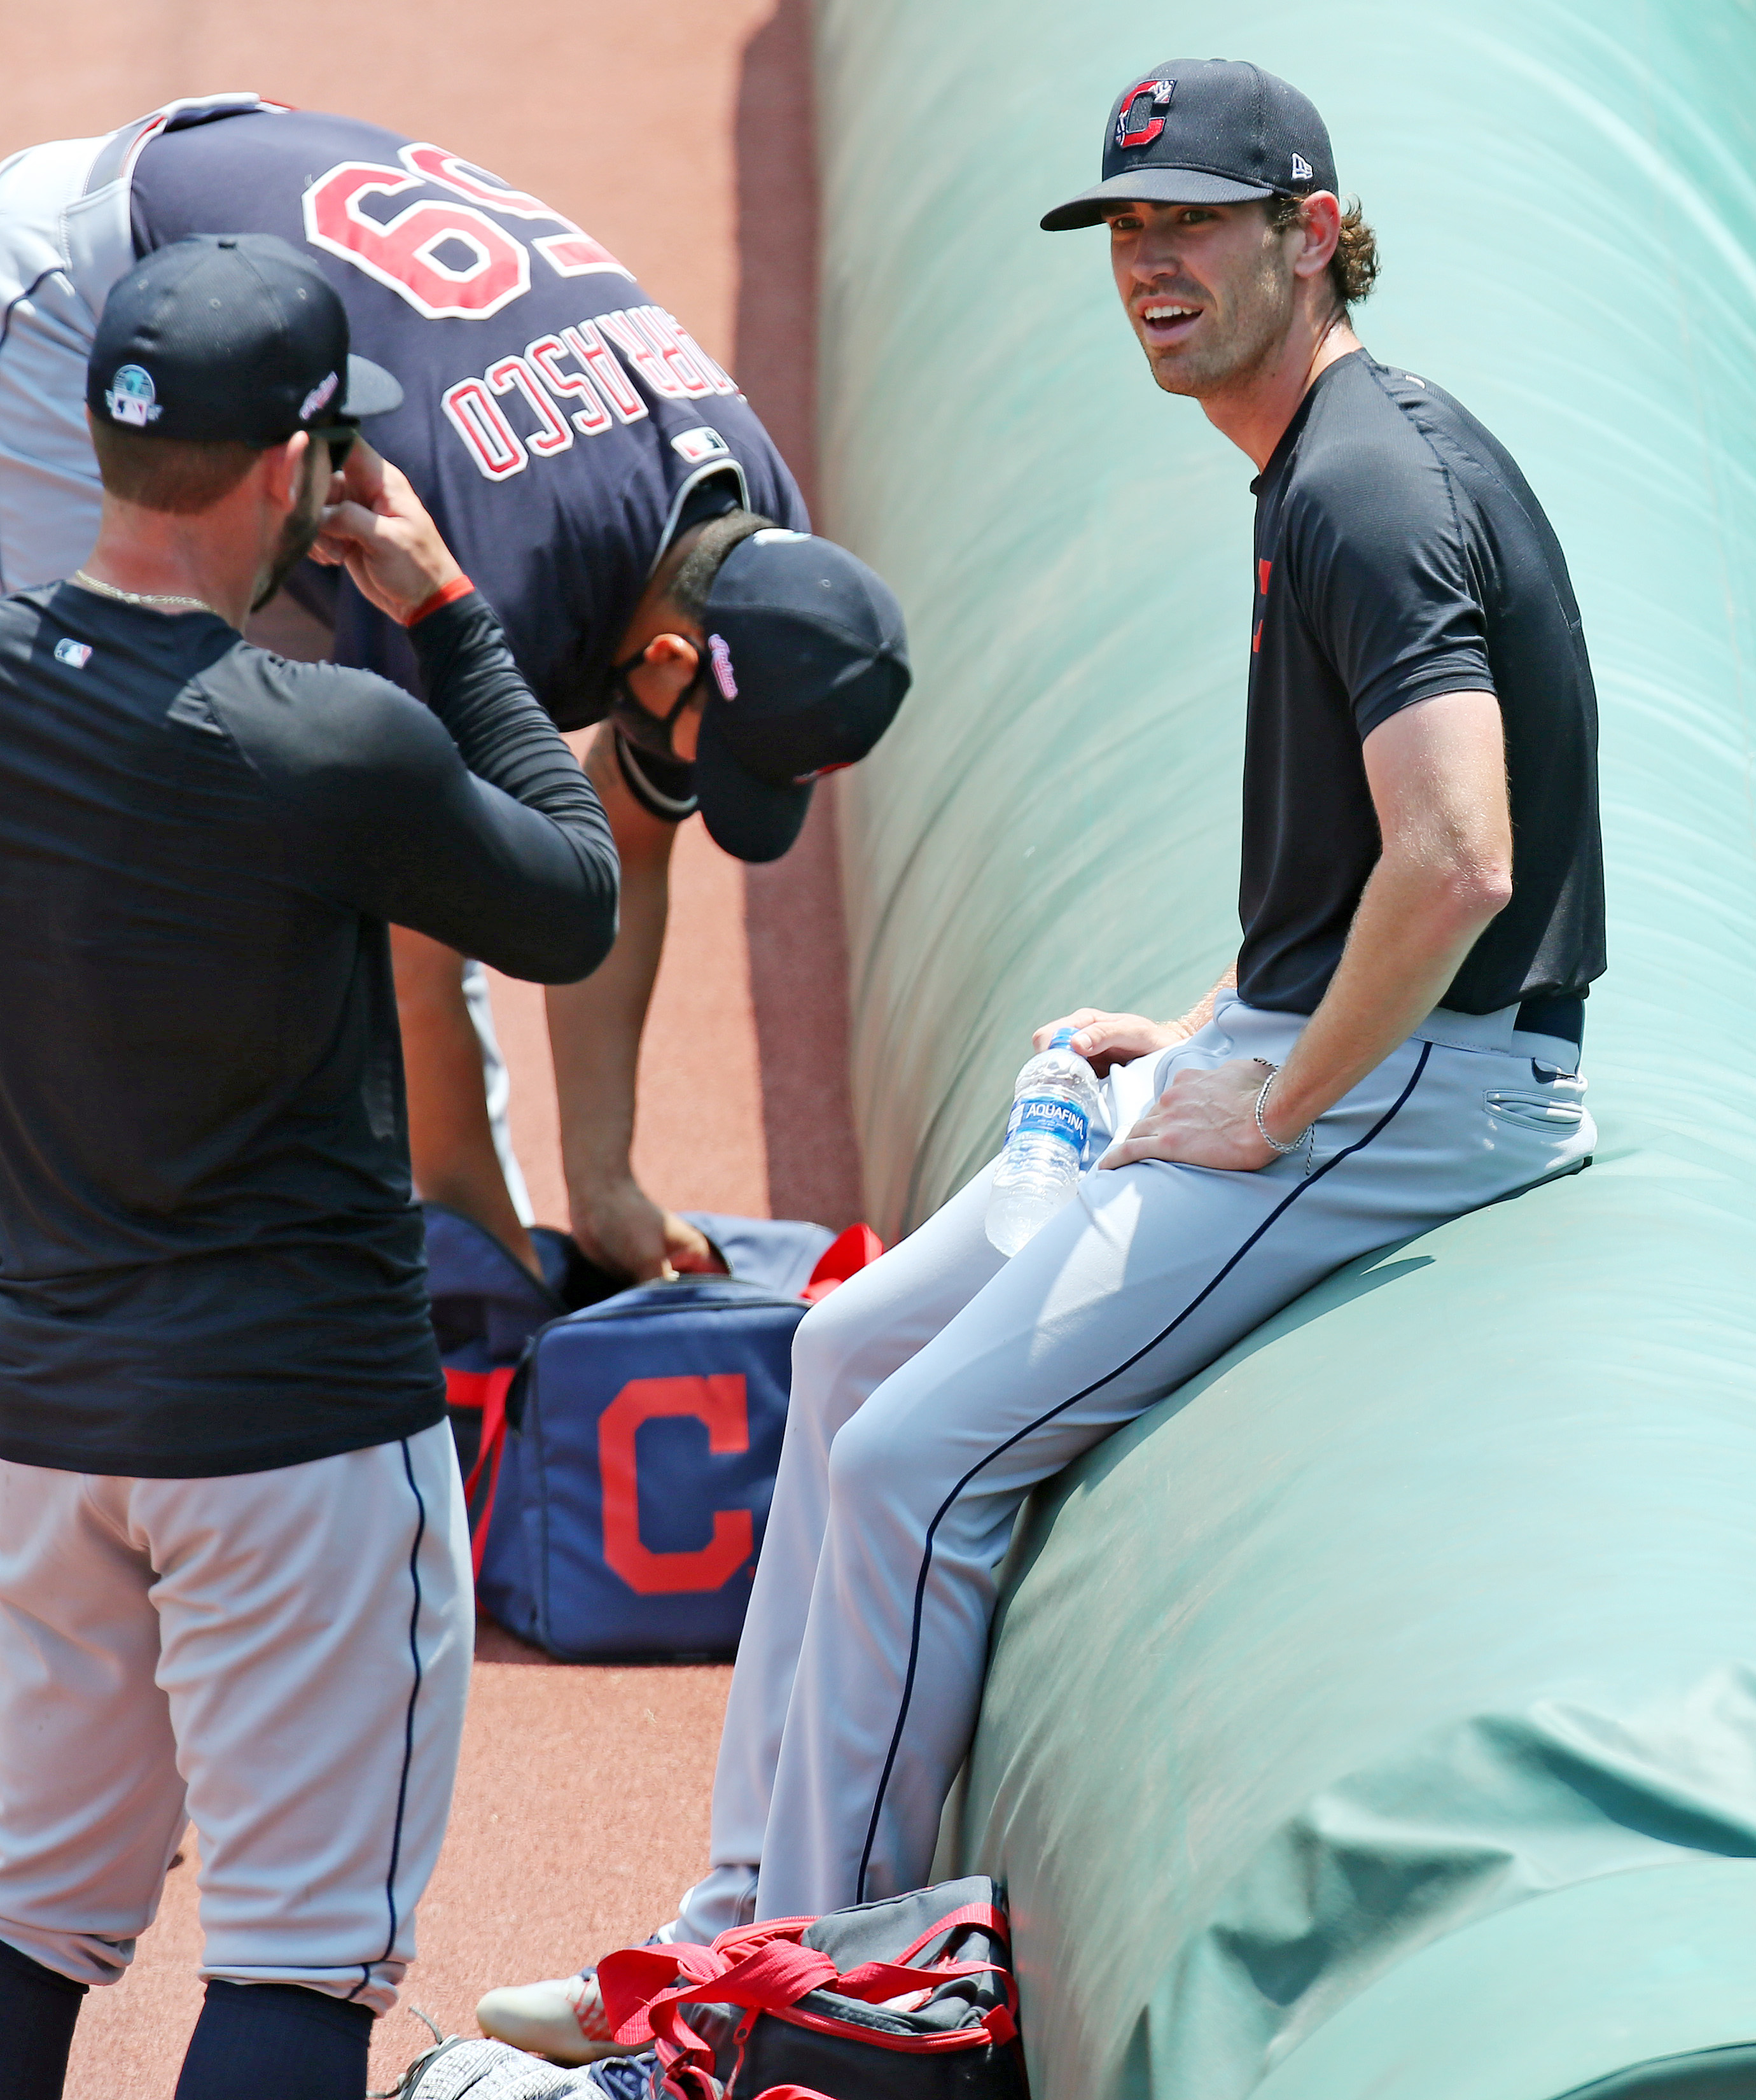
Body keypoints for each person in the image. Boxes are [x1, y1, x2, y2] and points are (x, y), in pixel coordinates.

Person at [477, 56, 1606, 2078]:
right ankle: (715, 1930)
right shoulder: (1316, 453)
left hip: (1439, 1090)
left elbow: (1458, 859)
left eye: (1193, 222)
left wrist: (1271, 1095)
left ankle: (790, 2013)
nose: (1151, 264)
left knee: (922, 1467)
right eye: (1126, 230)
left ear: (1314, 231)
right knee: (837, 1361)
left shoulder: (1366, 482)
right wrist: (1211, 1023)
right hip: (1335, 1039)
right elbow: (1367, 870)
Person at [0, 234, 619, 2100]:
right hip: (294, 1445)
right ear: (292, 470)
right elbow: (573, 889)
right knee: (295, 1957)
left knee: (23, 1918)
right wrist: (442, 607)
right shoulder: (330, 740)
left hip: (36, 1423)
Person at [0, 94, 909, 1288]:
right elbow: (418, 940)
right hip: (85, 297)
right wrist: (490, 1254)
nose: (699, 779)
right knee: (115, 757)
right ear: (674, 663)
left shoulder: (751, 538)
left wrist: (606, 1188)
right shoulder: (522, 564)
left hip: (295, 350)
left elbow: (621, 848)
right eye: (718, 750)